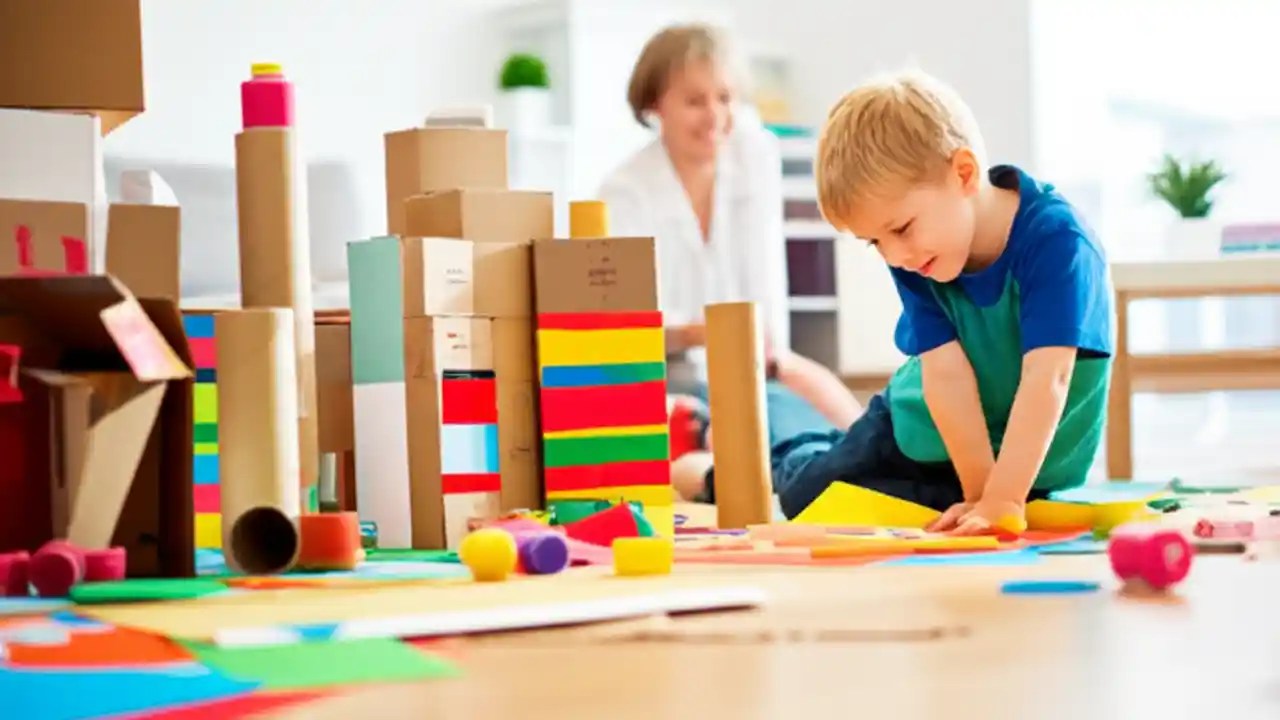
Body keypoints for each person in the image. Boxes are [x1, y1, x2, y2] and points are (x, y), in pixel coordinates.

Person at [696, 69, 1114, 532]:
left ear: (964, 174)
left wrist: (1001, 498)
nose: (895, 256)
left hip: (1024, 462)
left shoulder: (1058, 242)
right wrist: (982, 497)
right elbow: (946, 374)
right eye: (876, 242)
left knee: (926, 512)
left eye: (901, 229)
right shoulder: (919, 255)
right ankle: (760, 451)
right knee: (807, 495)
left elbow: (1048, 378)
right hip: (918, 429)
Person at [598, 24, 863, 500]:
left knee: (829, 427)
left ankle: (832, 468)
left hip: (752, 368)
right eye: (694, 101)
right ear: (654, 104)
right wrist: (701, 332)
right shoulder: (623, 193)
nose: (715, 117)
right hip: (670, 380)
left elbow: (766, 284)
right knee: (739, 436)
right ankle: (743, 475)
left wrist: (774, 357)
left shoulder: (754, 154)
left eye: (725, 98)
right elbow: (621, 326)